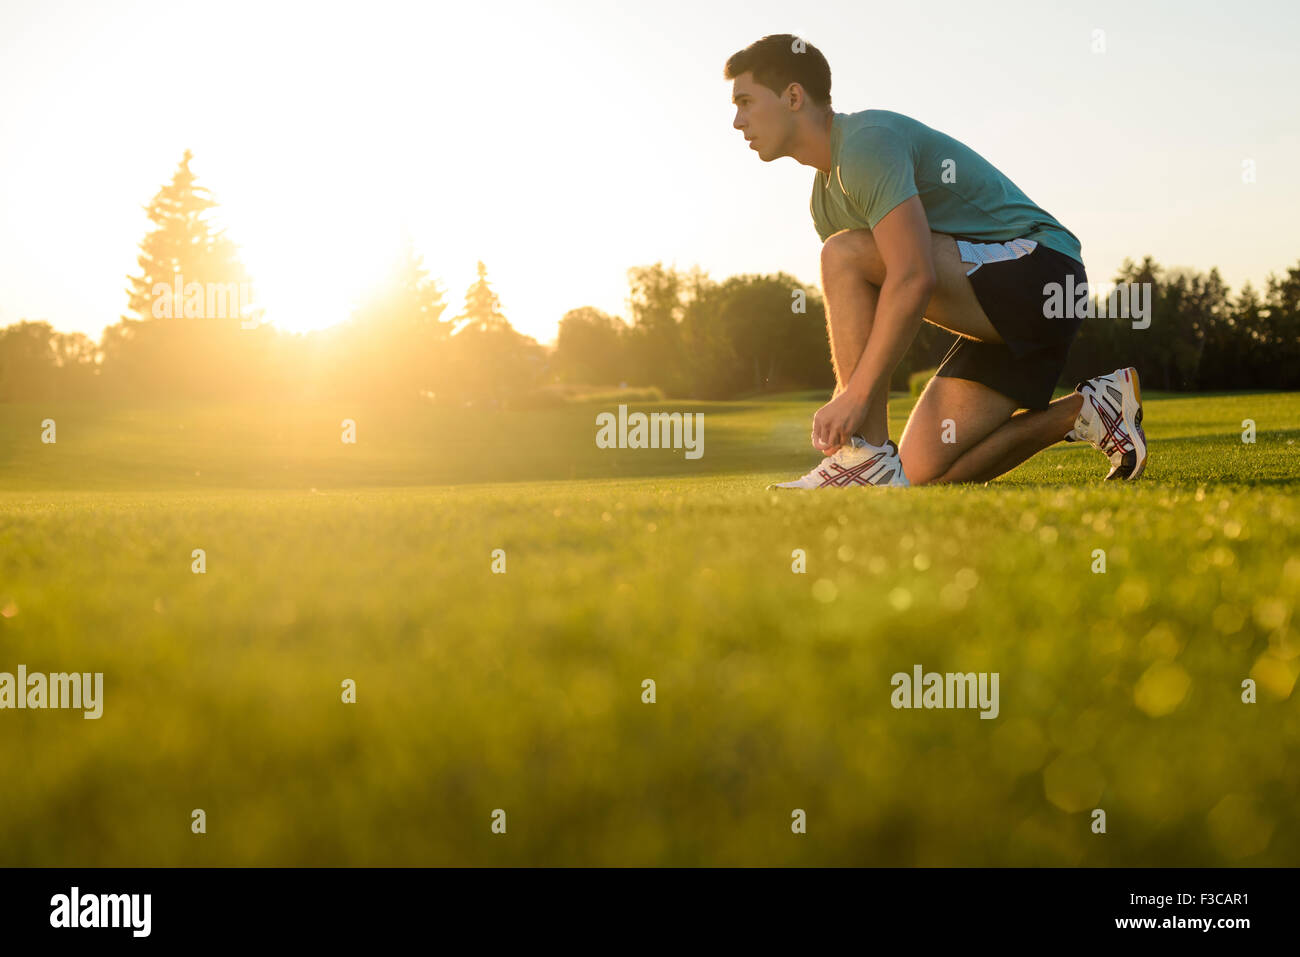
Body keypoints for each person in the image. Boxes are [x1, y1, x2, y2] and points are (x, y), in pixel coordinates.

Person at [723, 34, 1146, 488]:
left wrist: (856, 398)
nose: (736, 121)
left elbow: (913, 277)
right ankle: (1091, 409)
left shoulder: (866, 144)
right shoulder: (823, 203)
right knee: (920, 473)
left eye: (745, 101)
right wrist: (848, 398)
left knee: (841, 254)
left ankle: (864, 457)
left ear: (792, 96)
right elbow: (869, 314)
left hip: (1043, 272)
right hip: (993, 309)